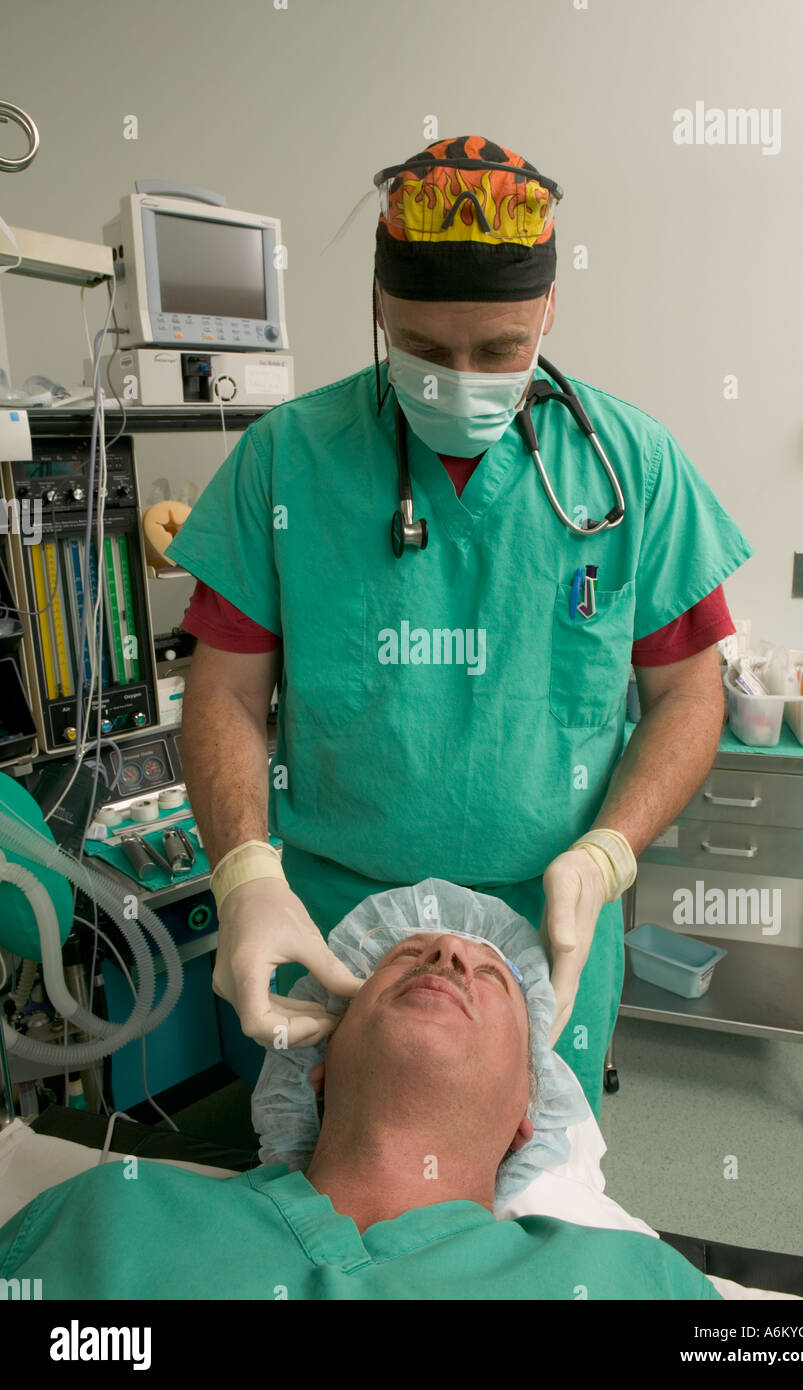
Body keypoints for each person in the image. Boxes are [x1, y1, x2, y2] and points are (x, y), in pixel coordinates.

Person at [165, 134, 753, 1117]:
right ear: (379, 310)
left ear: (549, 312)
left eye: (500, 351)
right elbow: (225, 690)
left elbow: (689, 693)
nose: (459, 380)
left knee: (526, 1209)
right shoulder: (285, 461)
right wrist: (243, 872)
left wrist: (607, 851)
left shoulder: (632, 467)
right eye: (427, 351)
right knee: (326, 1186)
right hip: (338, 933)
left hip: (546, 923)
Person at [0, 927, 721, 1300]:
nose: (445, 952)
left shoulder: (629, 1275)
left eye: (494, 978)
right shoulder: (113, 1212)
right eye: (404, 957)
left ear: (522, 1121)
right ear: (318, 1071)